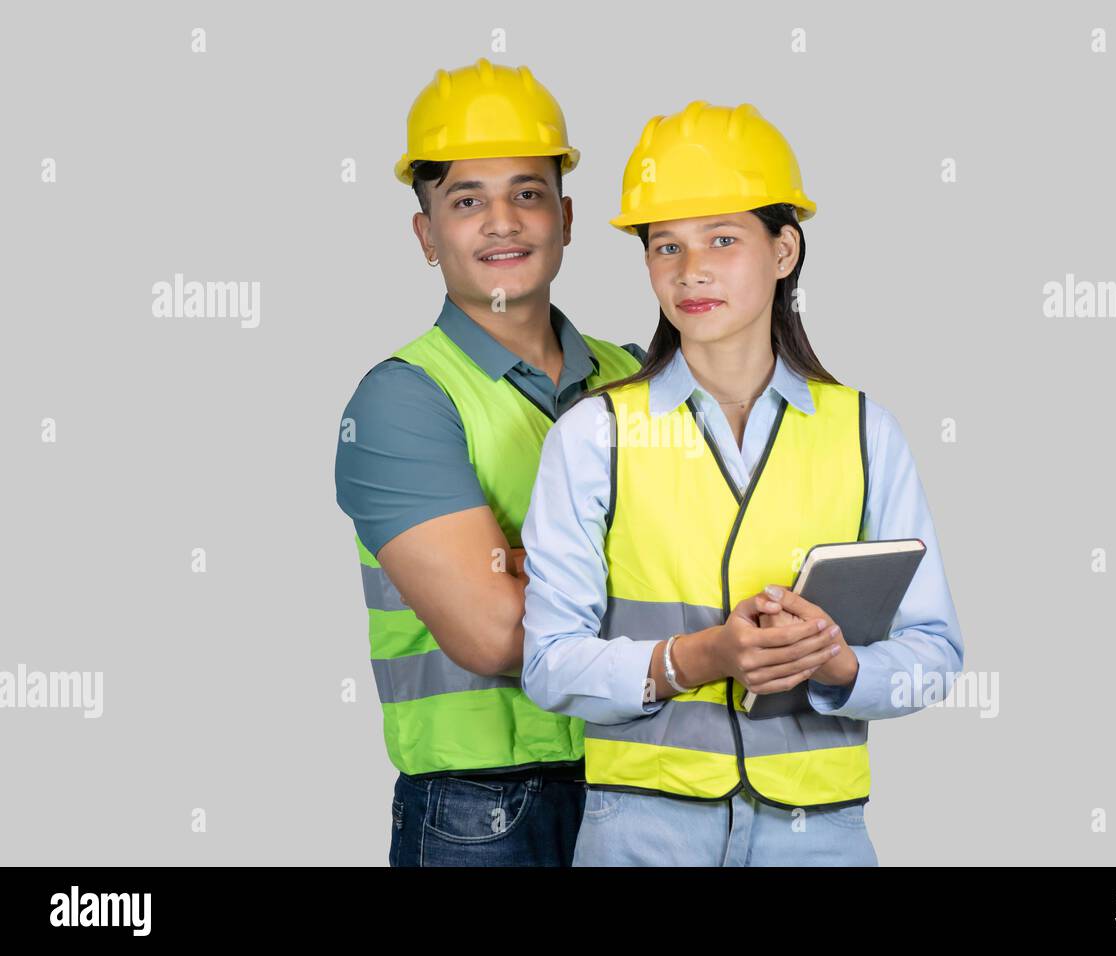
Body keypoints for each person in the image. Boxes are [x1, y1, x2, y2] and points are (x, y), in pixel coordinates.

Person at [519, 100, 964, 866]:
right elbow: (549, 663)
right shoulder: (595, 435)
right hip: (641, 828)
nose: (690, 271)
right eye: (666, 246)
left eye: (722, 239)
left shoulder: (863, 431)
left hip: (818, 832)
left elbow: (936, 655)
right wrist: (698, 659)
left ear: (784, 250)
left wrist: (841, 668)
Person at [334, 59, 644, 866]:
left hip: (650, 779)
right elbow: (496, 631)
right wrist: (695, 624)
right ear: (426, 234)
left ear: (567, 218)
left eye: (527, 193)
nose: (502, 221)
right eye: (467, 201)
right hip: (482, 810)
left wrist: (533, 567)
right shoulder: (402, 402)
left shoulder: (638, 376)